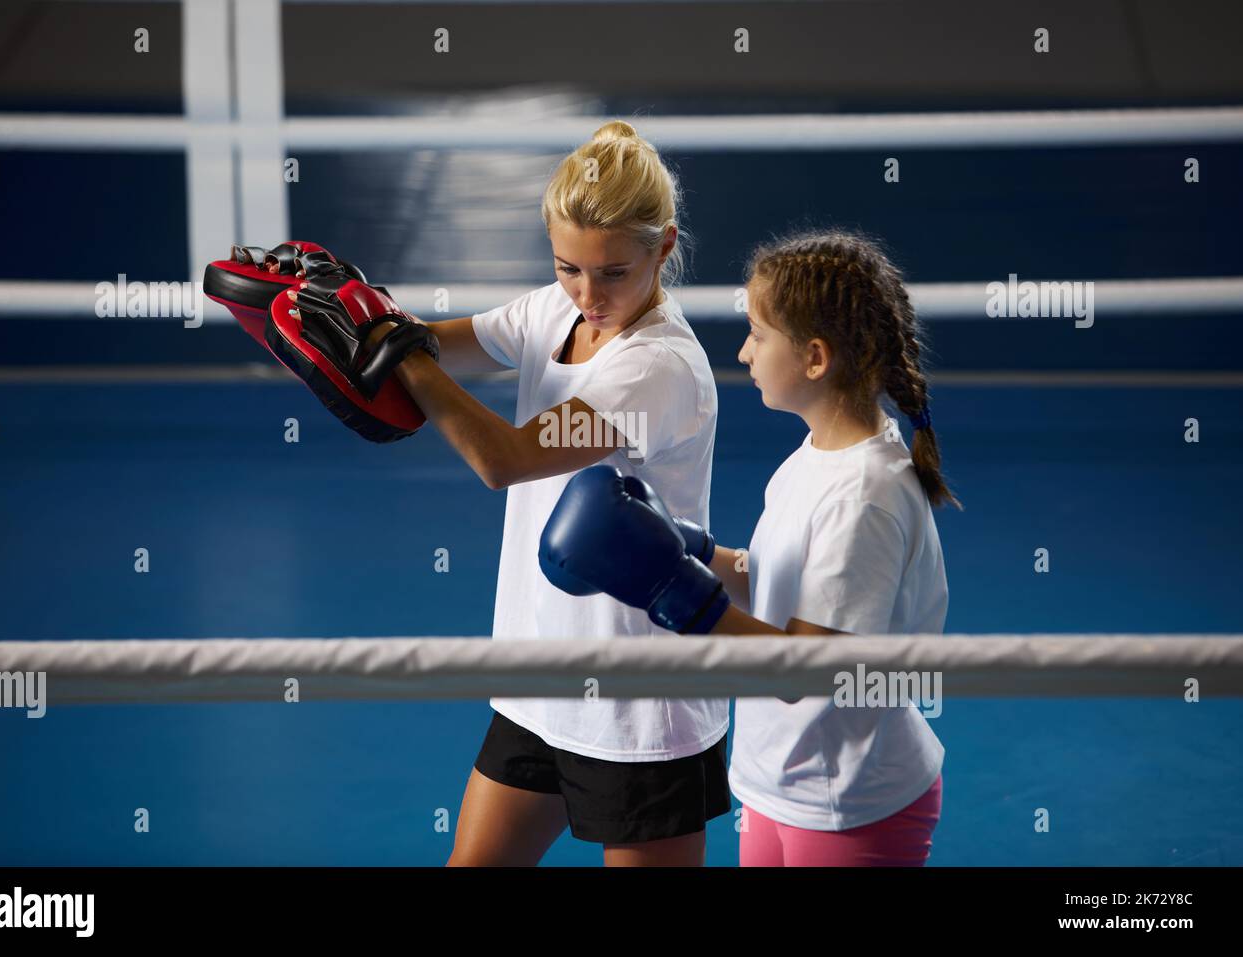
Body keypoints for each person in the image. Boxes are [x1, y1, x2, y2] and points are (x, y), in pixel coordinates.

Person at [300, 120, 728, 866]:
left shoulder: (658, 369)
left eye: (614, 273)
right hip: (540, 681)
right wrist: (351, 324)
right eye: (569, 266)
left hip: (638, 706)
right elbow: (430, 345)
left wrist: (402, 355)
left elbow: (505, 457)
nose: (588, 295)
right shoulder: (552, 310)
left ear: (663, 247)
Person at [539, 230, 958, 866]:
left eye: (759, 334)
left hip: (849, 799)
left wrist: (678, 597)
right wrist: (685, 550)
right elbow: (774, 580)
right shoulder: (817, 454)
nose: (743, 351)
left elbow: (810, 672)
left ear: (815, 358)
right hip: (778, 779)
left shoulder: (862, 499)